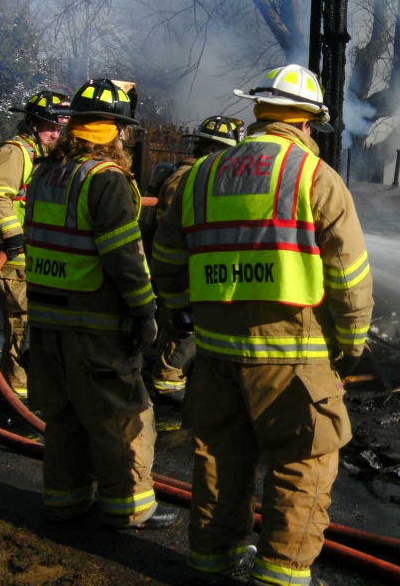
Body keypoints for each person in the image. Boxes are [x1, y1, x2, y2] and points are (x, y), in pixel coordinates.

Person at [151, 64, 374, 585]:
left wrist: (190, 314)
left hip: (215, 355)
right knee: (304, 463)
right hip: (292, 357)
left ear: (260, 114)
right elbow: (349, 276)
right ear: (307, 123)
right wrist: (349, 346)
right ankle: (280, 575)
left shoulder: (201, 175)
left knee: (218, 461)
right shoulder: (316, 177)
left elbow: (165, 260)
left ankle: (211, 561)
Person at [24, 78, 179, 530]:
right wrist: (145, 311)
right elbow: (124, 257)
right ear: (115, 131)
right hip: (96, 321)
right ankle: (129, 507)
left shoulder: (46, 174)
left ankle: (65, 501)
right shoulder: (106, 179)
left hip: (48, 319)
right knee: (121, 416)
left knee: (66, 417)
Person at [0, 90, 69, 411]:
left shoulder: (50, 158)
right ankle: (17, 397)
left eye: (60, 129)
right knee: (21, 323)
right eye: (49, 128)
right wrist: (12, 236)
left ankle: (36, 383)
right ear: (31, 123)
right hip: (16, 259)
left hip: (43, 260)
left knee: (41, 325)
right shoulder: (16, 153)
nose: (55, 135)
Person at [148, 115, 246, 404]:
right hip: (186, 266)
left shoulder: (198, 173)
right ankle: (168, 387)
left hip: (191, 264)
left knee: (187, 325)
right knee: (184, 327)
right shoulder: (190, 177)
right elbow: (177, 227)